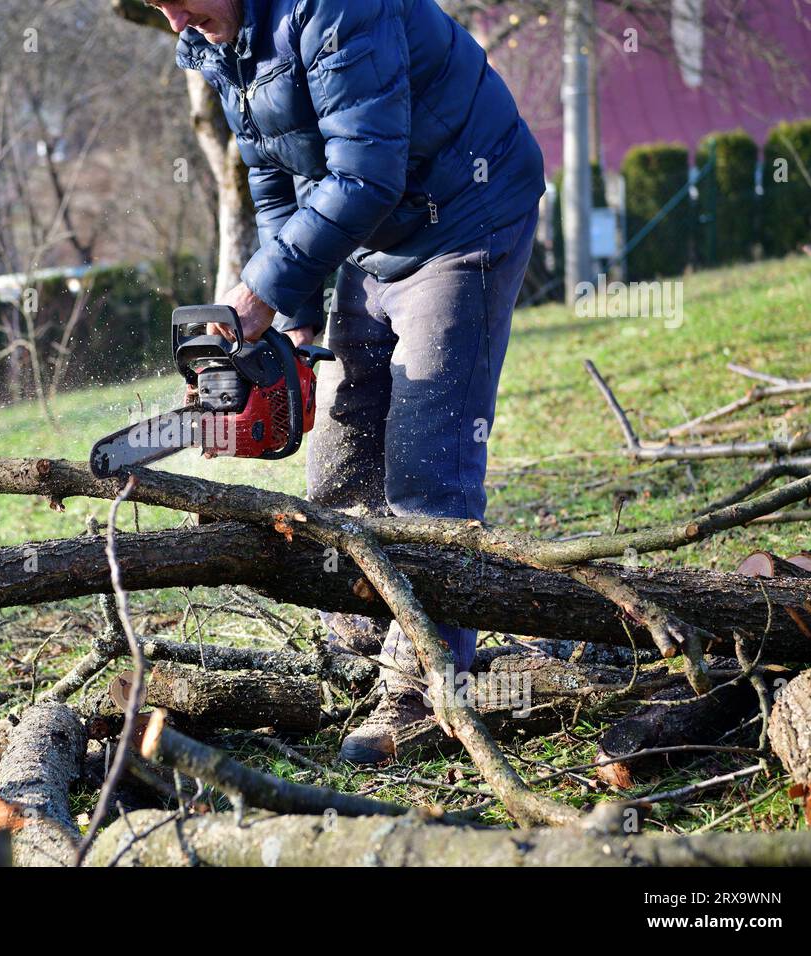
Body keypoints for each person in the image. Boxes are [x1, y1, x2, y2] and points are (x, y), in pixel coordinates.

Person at [146, 0, 544, 762]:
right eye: (158, 8)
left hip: (463, 218)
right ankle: (365, 648)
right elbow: (270, 175)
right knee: (340, 458)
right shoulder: (215, 38)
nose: (175, 23)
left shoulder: (335, 9)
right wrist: (289, 318)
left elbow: (364, 172)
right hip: (375, 236)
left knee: (430, 465)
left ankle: (426, 690)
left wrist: (257, 291)